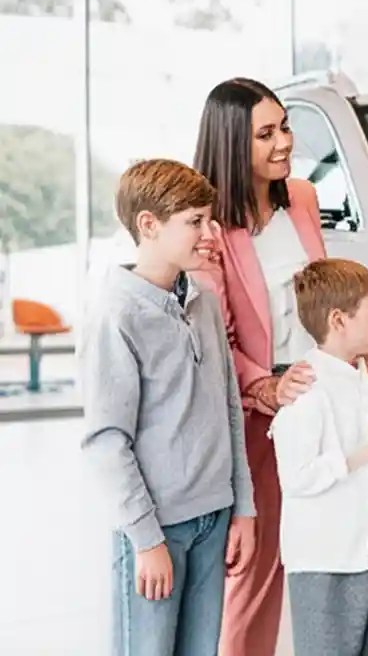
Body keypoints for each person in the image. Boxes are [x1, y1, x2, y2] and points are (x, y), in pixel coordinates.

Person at [81, 158, 257, 655]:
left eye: (209, 219)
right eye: (195, 222)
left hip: (214, 519)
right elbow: (107, 441)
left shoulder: (202, 298)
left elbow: (228, 409)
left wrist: (241, 508)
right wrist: (146, 539)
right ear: (148, 225)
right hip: (156, 529)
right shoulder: (116, 315)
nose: (210, 233)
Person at [189, 76, 326, 655]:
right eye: (265, 134)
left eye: (285, 127)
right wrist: (268, 387)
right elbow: (216, 338)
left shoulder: (303, 198)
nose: (284, 143)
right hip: (258, 414)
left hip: (320, 396)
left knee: (329, 561)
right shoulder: (210, 229)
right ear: (231, 143)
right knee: (256, 570)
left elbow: (325, 295)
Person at [269, 258, 368, 656]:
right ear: (338, 320)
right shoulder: (307, 388)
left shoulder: (366, 379)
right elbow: (297, 478)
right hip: (329, 560)